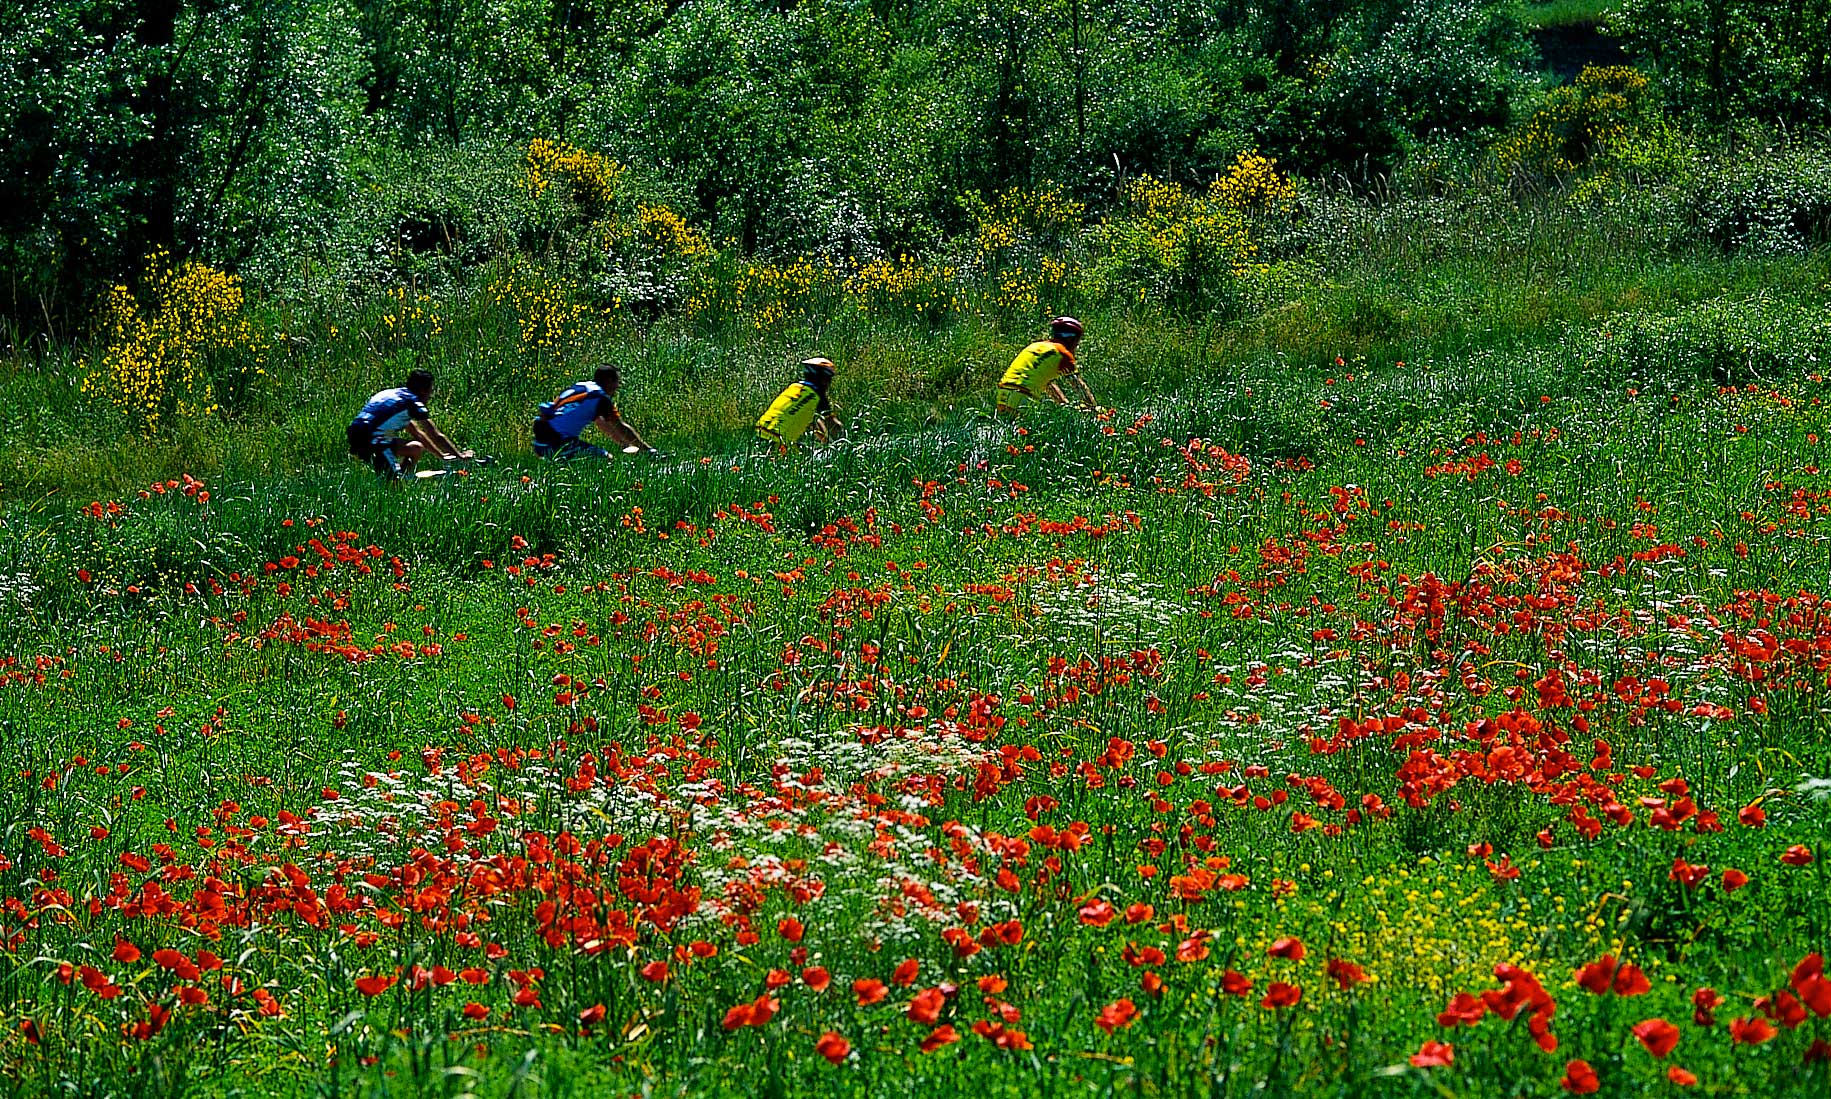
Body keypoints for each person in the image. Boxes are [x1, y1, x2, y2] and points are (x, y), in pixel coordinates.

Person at [347, 368, 470, 478]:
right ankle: (395, 482)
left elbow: (418, 433)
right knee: (394, 490)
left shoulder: (393, 394)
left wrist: (441, 456)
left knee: (416, 448)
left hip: (356, 433)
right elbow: (436, 435)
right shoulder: (413, 403)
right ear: (423, 391)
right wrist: (461, 456)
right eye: (430, 391)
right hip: (374, 440)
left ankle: (403, 476)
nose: (430, 396)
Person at [533, 365, 660, 460]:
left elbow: (602, 424)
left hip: (540, 441)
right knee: (605, 460)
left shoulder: (584, 387)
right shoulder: (599, 397)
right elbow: (620, 427)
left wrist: (625, 445)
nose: (618, 387)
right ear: (609, 381)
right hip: (557, 442)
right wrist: (647, 450)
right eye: (617, 382)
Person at [996, 316, 1096, 414]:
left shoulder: (1037, 345)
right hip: (1023, 396)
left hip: (1003, 392)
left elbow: (1048, 384)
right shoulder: (1063, 354)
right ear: (1071, 339)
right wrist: (1094, 409)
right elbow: (1079, 387)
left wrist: (1065, 406)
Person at [756, 358, 844, 447]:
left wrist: (826, 443)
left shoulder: (793, 389)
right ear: (823, 379)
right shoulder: (817, 395)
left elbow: (813, 424)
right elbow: (833, 425)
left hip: (759, 433)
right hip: (779, 441)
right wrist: (843, 442)